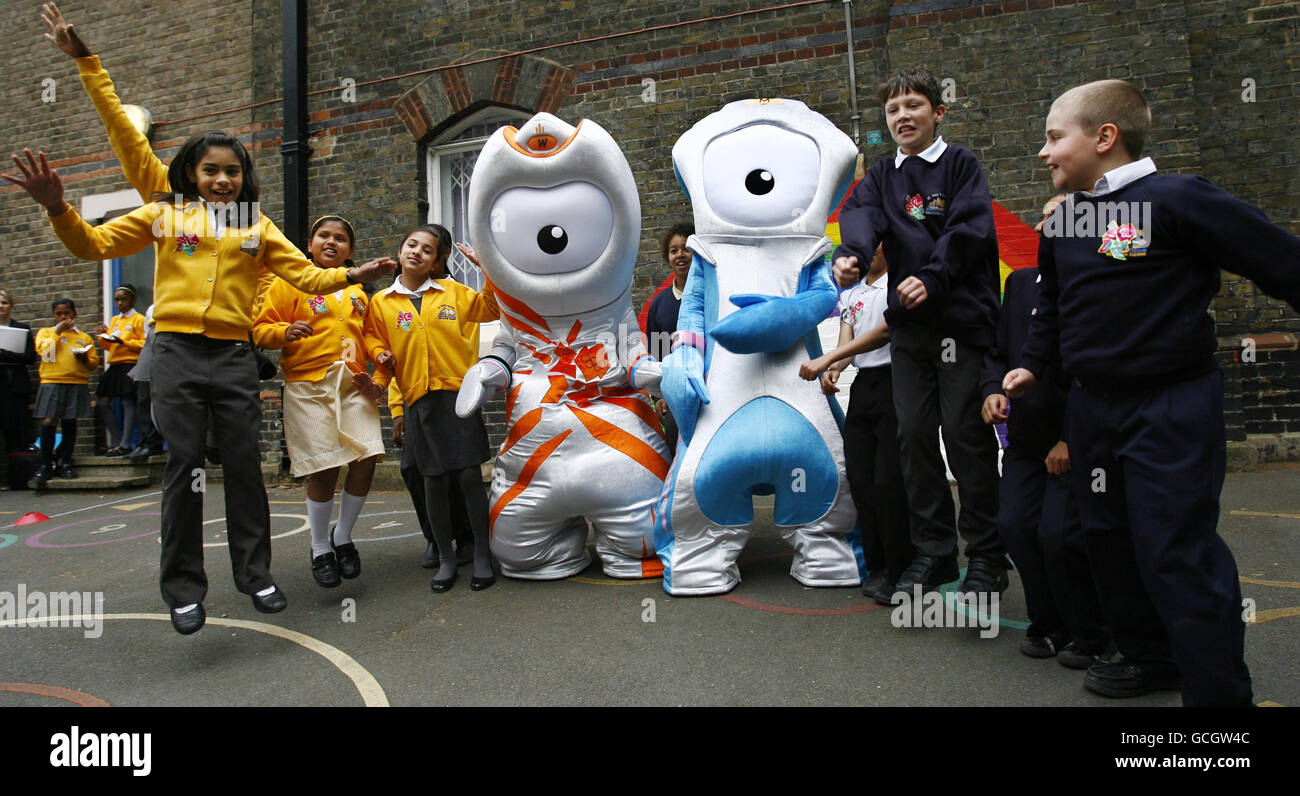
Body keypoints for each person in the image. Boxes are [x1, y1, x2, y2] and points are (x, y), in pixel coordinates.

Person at [5, 147, 391, 637]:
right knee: (185, 465)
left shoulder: (255, 225)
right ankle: (185, 590)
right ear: (192, 173)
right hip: (175, 351)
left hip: (231, 355)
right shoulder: (168, 215)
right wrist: (57, 207)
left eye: (232, 171)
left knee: (243, 466)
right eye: (211, 170)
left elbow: (307, 275)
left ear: (243, 176)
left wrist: (354, 275)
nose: (223, 179)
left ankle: (256, 575)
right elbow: (92, 244)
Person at [1004, 79, 1300, 705]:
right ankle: (1149, 656)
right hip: (1093, 411)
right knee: (1106, 542)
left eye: (1055, 137)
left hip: (1169, 406)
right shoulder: (1068, 220)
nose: (1043, 152)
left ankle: (1217, 703)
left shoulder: (1179, 198)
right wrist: (1033, 366)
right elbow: (1053, 310)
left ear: (1105, 138)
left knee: (1175, 551)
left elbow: (1282, 261)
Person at [832, 66, 1007, 602]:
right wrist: (852, 256)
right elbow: (861, 215)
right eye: (893, 110)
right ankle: (933, 552)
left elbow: (970, 229)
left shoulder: (960, 166)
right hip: (910, 334)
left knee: (963, 438)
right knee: (912, 441)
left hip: (960, 326)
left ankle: (986, 557)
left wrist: (931, 278)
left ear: (938, 112)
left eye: (913, 106)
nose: (902, 116)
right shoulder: (882, 177)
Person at [981, 195, 1112, 666]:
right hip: (1025, 440)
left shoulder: (1098, 286)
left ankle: (1092, 635)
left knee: (1060, 536)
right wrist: (992, 390)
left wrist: (1070, 439)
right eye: (1047, 216)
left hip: (1075, 442)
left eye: (1066, 218)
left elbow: (1095, 373)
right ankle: (1048, 625)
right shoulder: (1019, 284)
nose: (1050, 224)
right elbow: (997, 352)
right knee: (1015, 525)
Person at [253, 215, 394, 588]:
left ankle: (343, 536)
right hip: (308, 386)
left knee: (366, 461)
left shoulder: (358, 292)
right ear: (310, 244)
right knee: (325, 468)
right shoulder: (289, 283)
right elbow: (260, 331)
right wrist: (286, 331)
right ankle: (319, 548)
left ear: (350, 250)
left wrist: (379, 364)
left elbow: (371, 336)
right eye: (324, 236)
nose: (332, 242)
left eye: (341, 238)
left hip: (353, 384)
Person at [362, 227, 499, 593]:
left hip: (457, 397)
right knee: (433, 482)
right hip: (418, 400)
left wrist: (487, 268)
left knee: (469, 478)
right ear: (401, 249)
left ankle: (482, 554)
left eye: (428, 250)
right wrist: (379, 355)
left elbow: (491, 307)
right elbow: (374, 340)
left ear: (437, 261)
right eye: (411, 245)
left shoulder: (454, 293)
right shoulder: (383, 302)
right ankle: (445, 557)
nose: (417, 253)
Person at [800, 245, 914, 604]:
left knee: (888, 481)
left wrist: (826, 359)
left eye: (877, 243)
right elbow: (847, 345)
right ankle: (877, 566)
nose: (868, 250)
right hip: (865, 388)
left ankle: (902, 569)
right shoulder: (851, 295)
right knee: (861, 479)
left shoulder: (900, 285)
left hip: (897, 382)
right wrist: (835, 368)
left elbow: (884, 333)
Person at [30, 298, 98, 487]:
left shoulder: (83, 337)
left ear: (74, 314)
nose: (63, 317)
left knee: (70, 421)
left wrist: (85, 358)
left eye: (66, 313)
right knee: (49, 420)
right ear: (54, 315)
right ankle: (45, 464)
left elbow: (93, 364)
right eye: (59, 314)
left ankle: (65, 462)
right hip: (52, 381)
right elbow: (46, 354)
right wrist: (57, 333)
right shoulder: (46, 333)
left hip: (75, 382)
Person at [644, 222, 693, 451]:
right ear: (668, 258)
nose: (680, 255)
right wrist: (659, 397)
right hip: (674, 395)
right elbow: (656, 354)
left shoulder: (713, 293)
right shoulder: (659, 304)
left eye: (686, 248)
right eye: (674, 251)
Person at [95, 283, 145, 455]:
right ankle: (116, 440)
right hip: (115, 364)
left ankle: (125, 444)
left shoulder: (138, 319)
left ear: (132, 300)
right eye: (117, 300)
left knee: (127, 401)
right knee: (102, 401)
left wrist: (124, 342)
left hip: (129, 363)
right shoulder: (115, 320)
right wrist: (103, 337)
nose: (120, 303)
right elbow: (109, 347)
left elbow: (144, 344)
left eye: (123, 299)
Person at [0, 289, 38, 490]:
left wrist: (4, 354)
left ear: (11, 305)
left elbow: (30, 358)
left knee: (15, 433)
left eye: (4, 302)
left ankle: (17, 479)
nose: (0, 306)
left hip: (15, 388)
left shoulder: (21, 329)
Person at [125, 303, 165, 460]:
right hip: (150, 352)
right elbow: (148, 334)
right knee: (143, 398)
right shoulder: (151, 309)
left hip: (165, 355)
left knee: (158, 402)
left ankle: (154, 443)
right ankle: (145, 442)